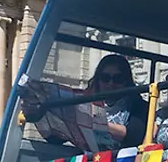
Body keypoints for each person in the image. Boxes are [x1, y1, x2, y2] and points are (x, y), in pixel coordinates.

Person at [19, 53, 147, 150]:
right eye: (105, 78)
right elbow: (56, 140)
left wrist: (94, 123)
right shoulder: (87, 100)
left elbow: (134, 135)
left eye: (118, 78)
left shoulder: (137, 105)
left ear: (127, 81)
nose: (111, 83)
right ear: (97, 80)